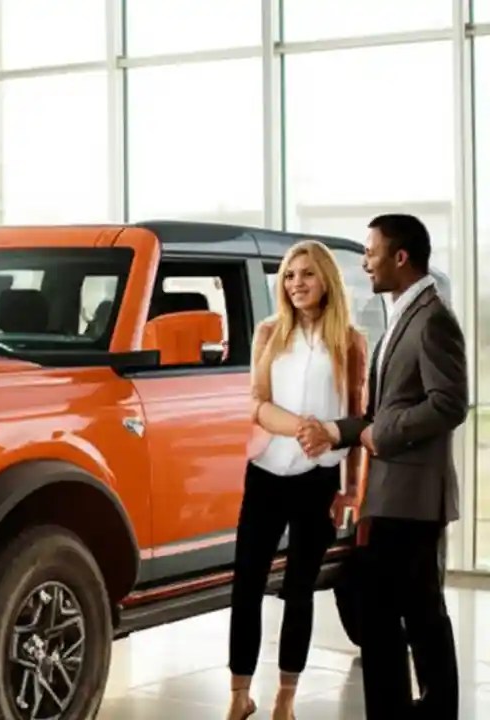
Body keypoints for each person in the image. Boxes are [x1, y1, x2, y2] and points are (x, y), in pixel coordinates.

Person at [299, 214, 466, 719]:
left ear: (400, 257)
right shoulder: (400, 315)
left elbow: (449, 404)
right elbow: (382, 412)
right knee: (416, 612)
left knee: (389, 607)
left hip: (413, 496)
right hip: (393, 492)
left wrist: (381, 436)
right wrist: (338, 430)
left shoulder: (434, 318)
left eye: (371, 253)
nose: (365, 261)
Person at [227, 240, 368, 720]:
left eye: (306, 274)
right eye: (289, 276)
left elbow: (356, 415)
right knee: (246, 582)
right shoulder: (268, 333)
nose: (297, 284)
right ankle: (238, 694)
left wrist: (351, 488)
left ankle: (285, 697)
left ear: (325, 278)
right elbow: (255, 403)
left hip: (318, 479)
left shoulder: (349, 340)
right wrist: (302, 428)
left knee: (299, 588)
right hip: (266, 472)